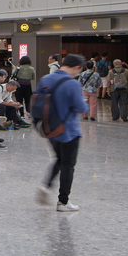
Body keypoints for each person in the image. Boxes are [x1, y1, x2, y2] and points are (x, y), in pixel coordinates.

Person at [34, 53, 88, 213]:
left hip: (49, 128)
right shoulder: (72, 84)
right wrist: (85, 104)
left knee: (58, 158)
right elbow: (81, 108)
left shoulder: (46, 79)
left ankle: (46, 186)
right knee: (68, 164)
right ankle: (63, 201)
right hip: (68, 130)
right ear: (77, 68)